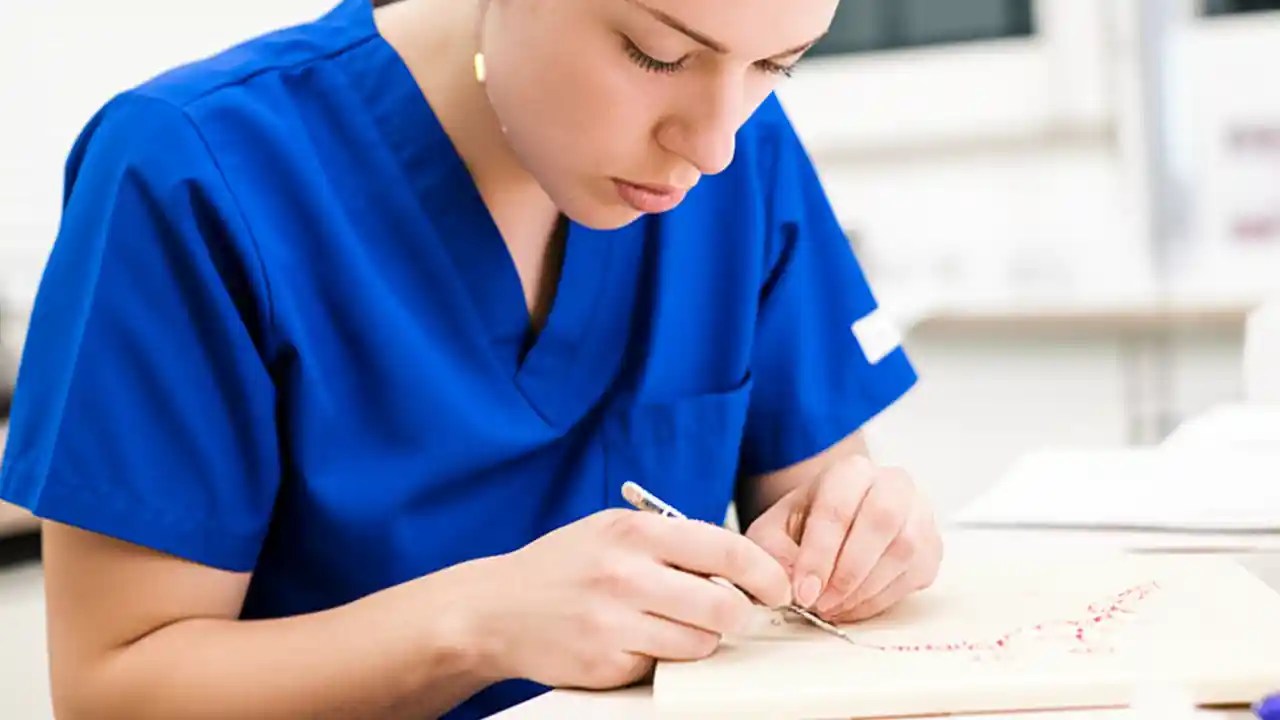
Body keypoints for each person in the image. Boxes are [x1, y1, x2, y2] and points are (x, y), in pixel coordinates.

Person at [0, 0, 943, 717]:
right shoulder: (194, 168)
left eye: (778, 64)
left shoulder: (744, 149)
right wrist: (480, 624)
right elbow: (113, 686)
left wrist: (863, 535)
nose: (710, 145)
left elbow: (817, 503)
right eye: (657, 52)